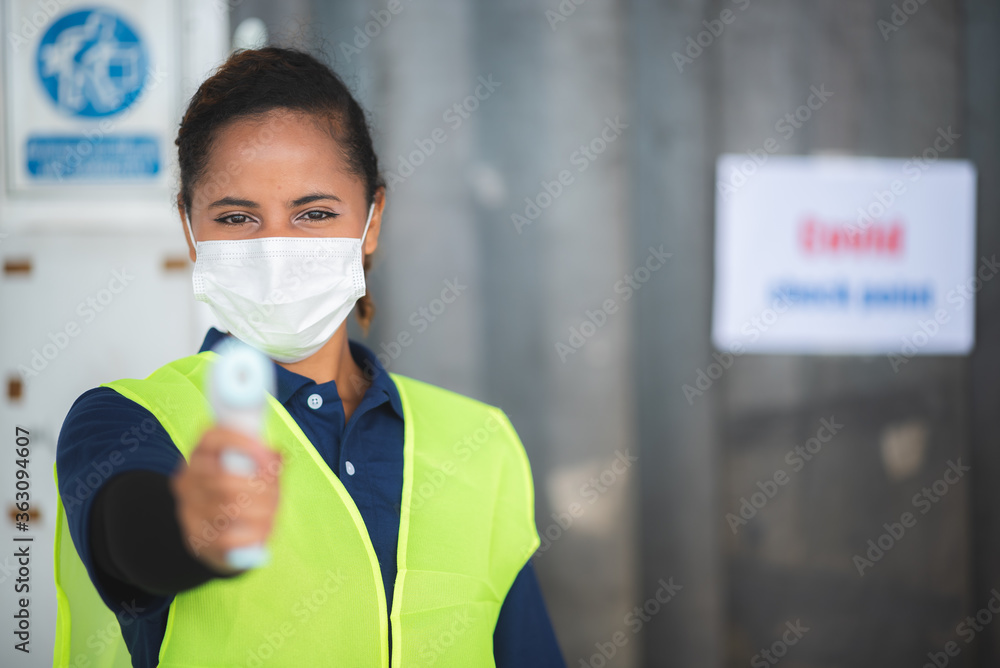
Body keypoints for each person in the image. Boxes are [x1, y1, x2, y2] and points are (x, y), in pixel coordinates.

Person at [53, 46, 566, 667]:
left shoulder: (481, 442)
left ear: (372, 220)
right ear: (191, 232)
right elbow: (133, 543)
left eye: (314, 213)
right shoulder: (123, 419)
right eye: (238, 217)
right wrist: (193, 526)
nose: (276, 250)